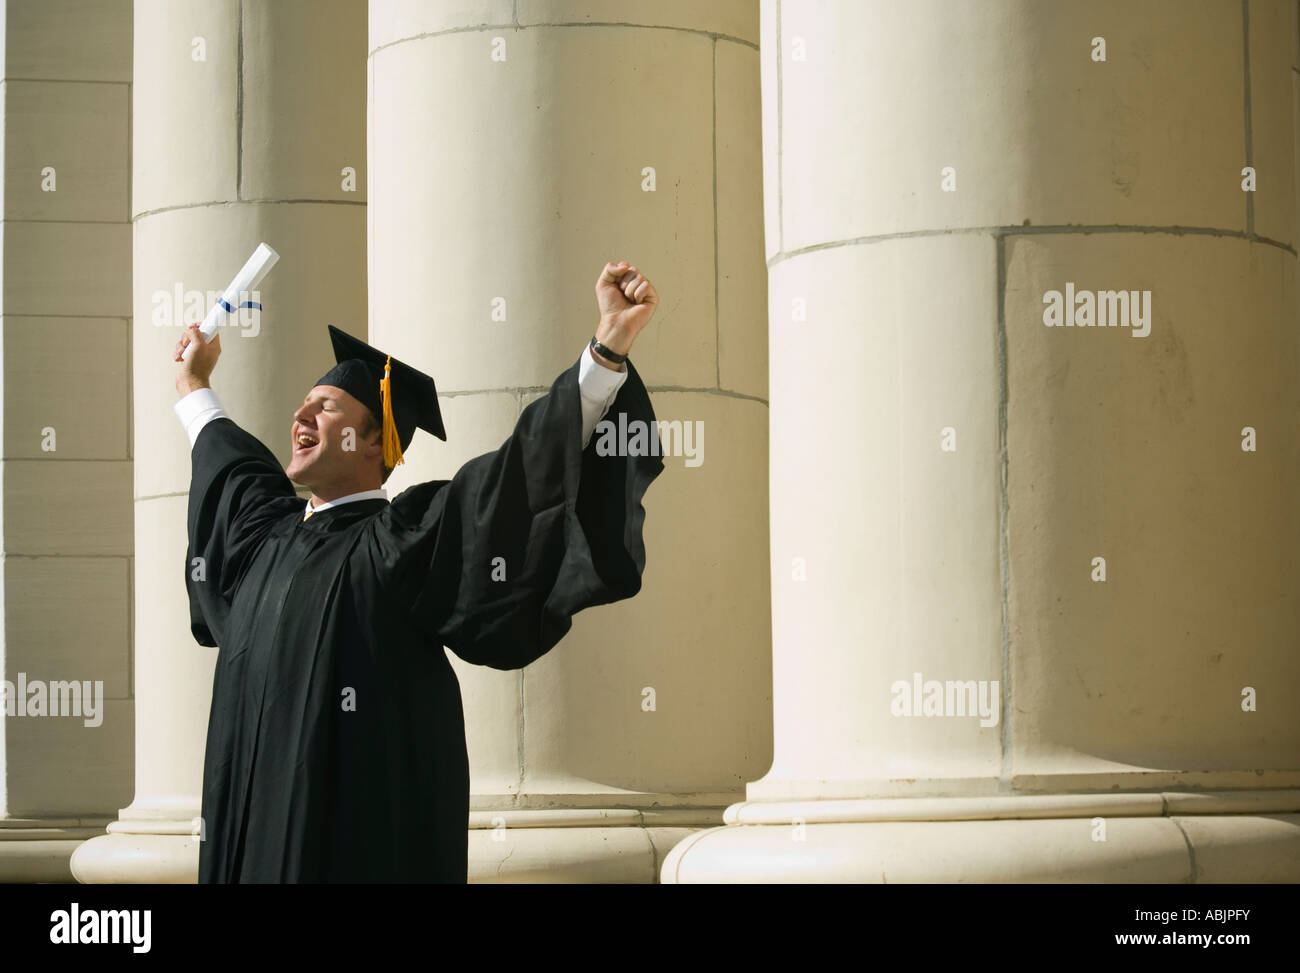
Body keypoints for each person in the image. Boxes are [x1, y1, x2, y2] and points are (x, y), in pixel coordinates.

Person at [172, 260, 664, 882]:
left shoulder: (400, 539)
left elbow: (514, 482)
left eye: (324, 407)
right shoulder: (261, 543)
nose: (299, 418)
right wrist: (194, 383)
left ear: (376, 442)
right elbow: (228, 463)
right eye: (301, 407)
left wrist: (605, 354)